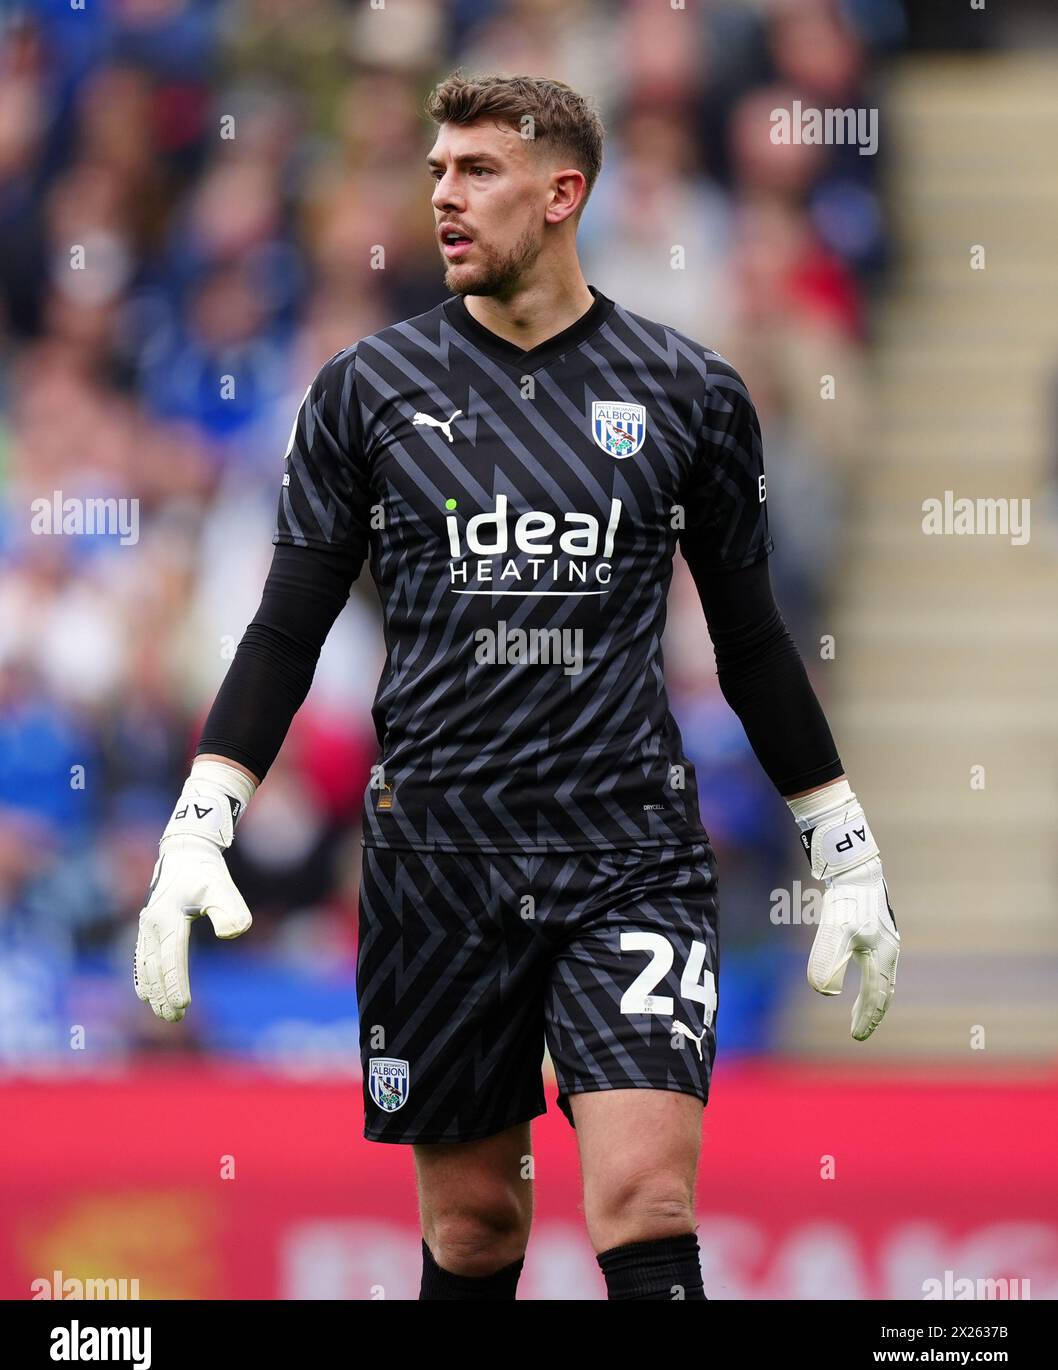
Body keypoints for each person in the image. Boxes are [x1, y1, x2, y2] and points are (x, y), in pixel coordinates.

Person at [134, 73, 899, 1301]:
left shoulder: (684, 393)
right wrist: (202, 814)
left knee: (644, 1196)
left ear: (562, 194)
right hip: (436, 855)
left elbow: (753, 642)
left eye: (475, 171)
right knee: (476, 1224)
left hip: (627, 847)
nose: (442, 195)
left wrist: (839, 838)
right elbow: (286, 626)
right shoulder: (364, 392)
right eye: (435, 170)